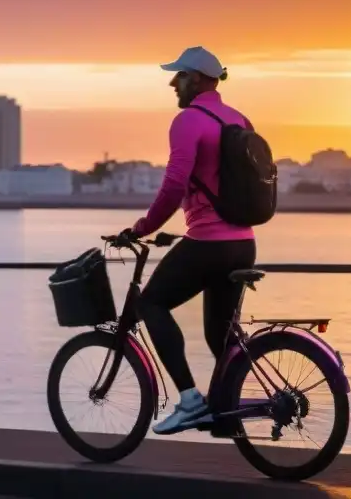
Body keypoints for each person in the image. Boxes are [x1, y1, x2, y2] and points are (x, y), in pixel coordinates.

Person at [128, 46, 258, 435]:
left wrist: (144, 227)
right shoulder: (239, 119)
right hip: (243, 242)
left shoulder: (189, 120)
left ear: (198, 79)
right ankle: (227, 413)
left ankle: (190, 401)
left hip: (209, 244)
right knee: (219, 335)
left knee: (149, 303)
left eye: (180, 75)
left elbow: (174, 184)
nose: (173, 83)